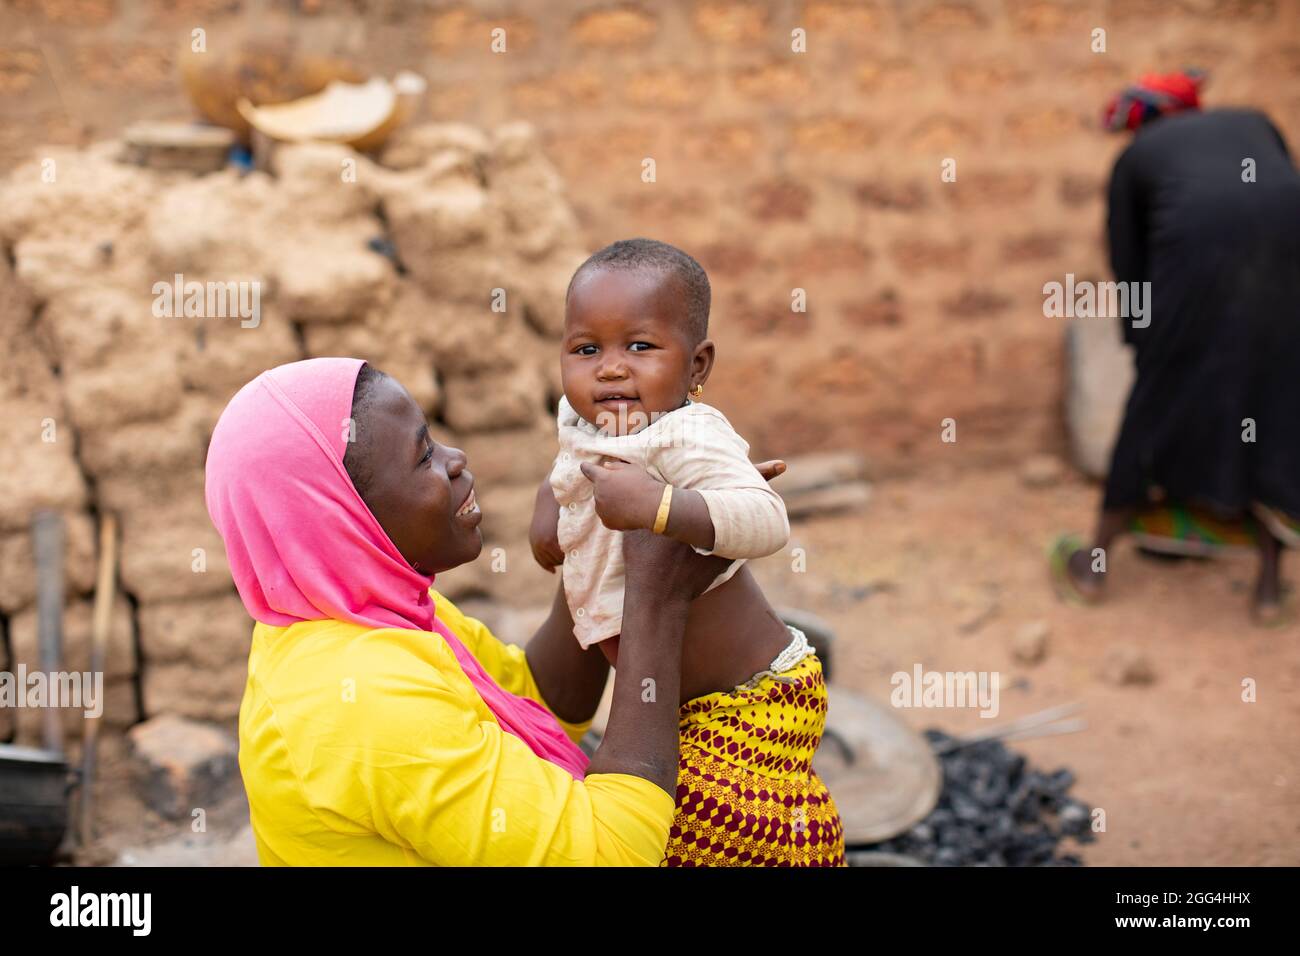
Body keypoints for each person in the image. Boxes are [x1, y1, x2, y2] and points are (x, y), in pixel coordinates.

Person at [204, 356, 781, 865]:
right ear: (340, 515)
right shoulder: (359, 698)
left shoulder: (378, 616)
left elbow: (540, 703)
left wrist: (593, 539)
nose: (456, 461)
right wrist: (655, 597)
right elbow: (613, 852)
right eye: (423, 455)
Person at [529, 239, 845, 866]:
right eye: (586, 349)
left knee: (718, 835)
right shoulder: (584, 421)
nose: (611, 368)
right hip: (677, 704)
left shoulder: (688, 433)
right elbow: (571, 476)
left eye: (640, 347)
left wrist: (663, 510)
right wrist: (554, 510)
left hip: (748, 698)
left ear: (697, 366)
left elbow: (766, 518)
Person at [1053, 70, 1300, 625]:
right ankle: (1266, 589)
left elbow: (1130, 267)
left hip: (1197, 271)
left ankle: (1093, 568)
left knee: (1154, 410)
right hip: (1289, 274)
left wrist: (1147, 350)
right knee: (1270, 408)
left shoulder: (1136, 159)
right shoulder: (1254, 122)